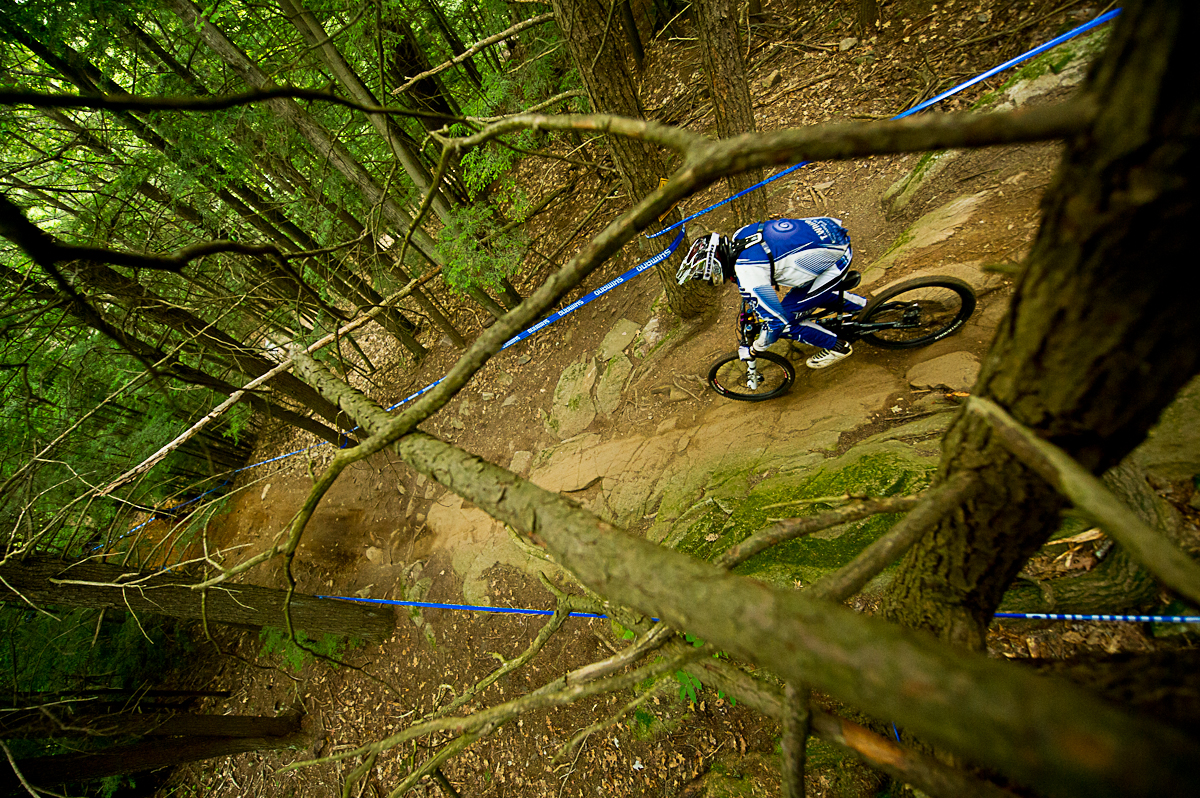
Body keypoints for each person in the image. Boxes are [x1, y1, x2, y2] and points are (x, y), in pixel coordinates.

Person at [676, 217, 865, 369]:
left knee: (787, 322)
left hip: (834, 262)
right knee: (802, 297)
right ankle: (862, 307)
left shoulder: (749, 271)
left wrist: (756, 349)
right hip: (830, 232)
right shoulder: (741, 235)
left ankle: (838, 347)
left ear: (716, 269)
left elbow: (776, 323)